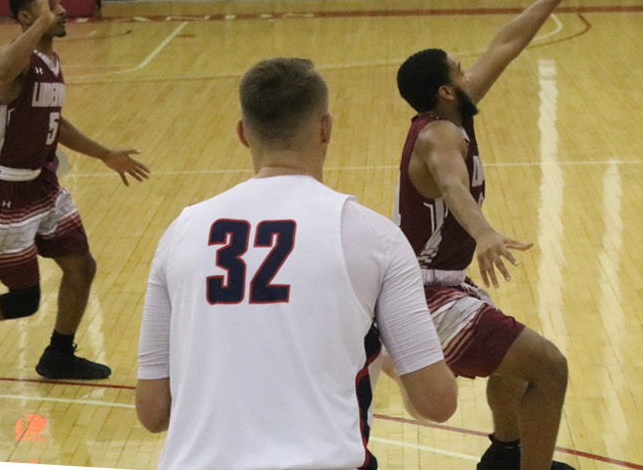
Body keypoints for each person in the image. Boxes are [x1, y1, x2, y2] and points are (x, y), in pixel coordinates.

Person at [135, 58, 458, 469]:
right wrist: (392, 363)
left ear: (243, 134)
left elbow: (152, 411)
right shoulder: (375, 238)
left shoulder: (179, 232)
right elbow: (437, 403)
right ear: (326, 128)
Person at [395, 0, 594, 470]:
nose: (470, 73)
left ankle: (506, 453)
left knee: (512, 369)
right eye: (460, 71)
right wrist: (483, 232)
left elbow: (505, 44)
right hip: (424, 294)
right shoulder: (439, 136)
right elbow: (452, 185)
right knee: (549, 367)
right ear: (445, 91)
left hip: (438, 281)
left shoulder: (452, 110)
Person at [0, 0, 150, 380]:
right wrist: (39, 24)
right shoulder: (16, 61)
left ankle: (59, 354)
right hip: (7, 190)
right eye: (50, 4)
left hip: (43, 184)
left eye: (60, 4)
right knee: (24, 301)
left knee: (81, 267)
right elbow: (1, 72)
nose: (62, 11)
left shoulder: (49, 61)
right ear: (26, 17)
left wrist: (104, 154)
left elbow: (54, 120)